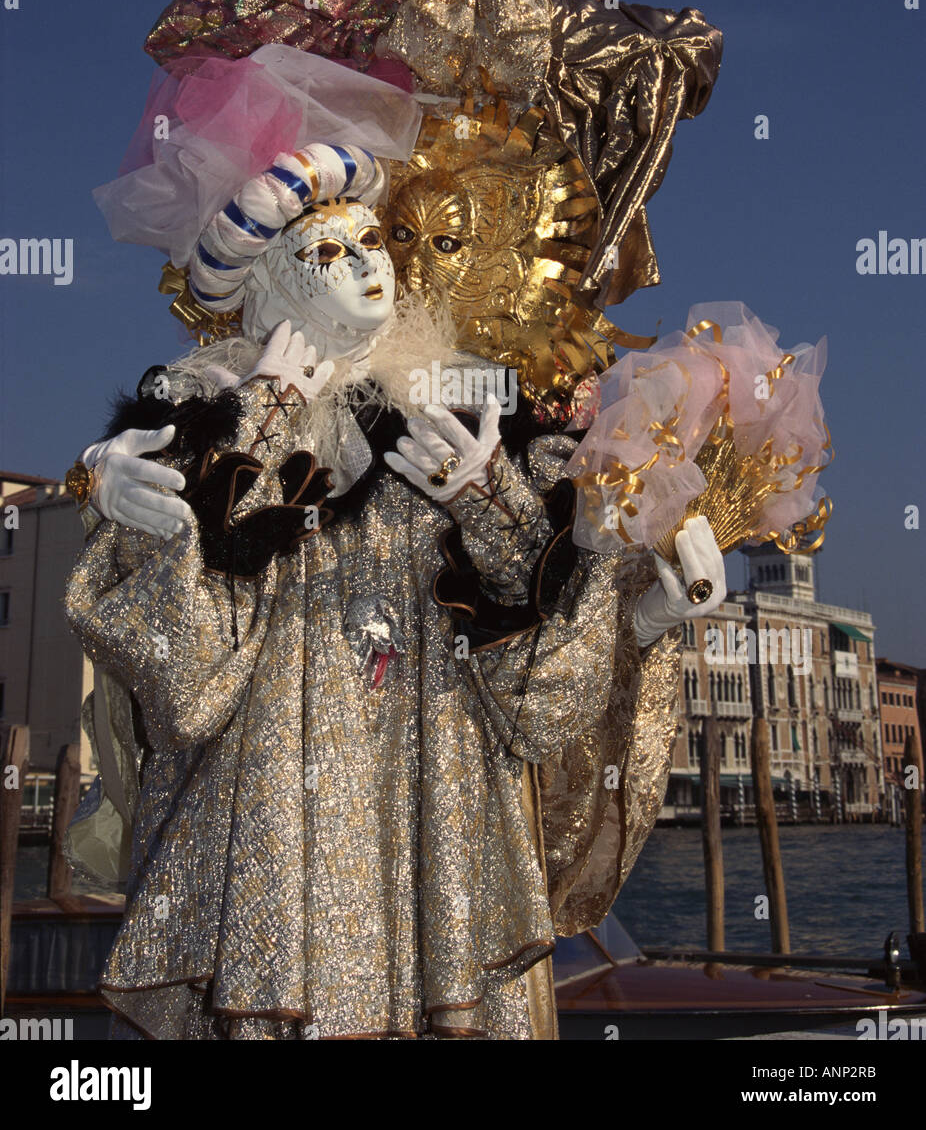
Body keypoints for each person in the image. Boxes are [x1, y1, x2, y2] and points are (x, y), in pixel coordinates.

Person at [64, 145, 727, 1040]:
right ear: (269, 279)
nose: (373, 260)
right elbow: (188, 679)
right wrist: (217, 449)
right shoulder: (198, 423)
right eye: (329, 252)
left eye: (374, 240)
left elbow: (536, 685)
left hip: (441, 814)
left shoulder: (463, 412)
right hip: (271, 828)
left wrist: (514, 520)